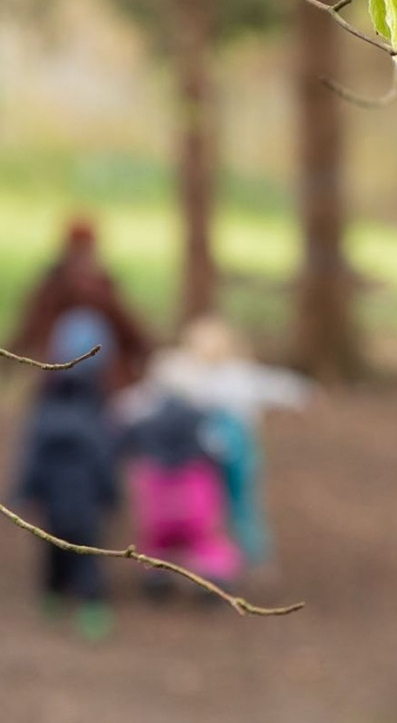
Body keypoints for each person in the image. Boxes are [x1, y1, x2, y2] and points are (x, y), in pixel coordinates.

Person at [142, 316, 313, 568]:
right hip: (214, 453)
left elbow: (277, 386)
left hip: (230, 451)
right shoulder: (194, 374)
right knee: (223, 504)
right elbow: (155, 391)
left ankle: (246, 556)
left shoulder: (231, 374)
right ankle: (228, 557)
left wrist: (303, 394)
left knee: (235, 504)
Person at [13, 313, 120, 641]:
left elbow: (32, 455)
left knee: (53, 547)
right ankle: (92, 607)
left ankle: (53, 596)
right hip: (85, 496)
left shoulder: (45, 407)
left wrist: (25, 491)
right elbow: (104, 458)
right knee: (87, 552)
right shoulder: (97, 411)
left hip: (54, 495)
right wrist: (110, 494)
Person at [119, 356, 242, 593]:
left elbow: (123, 443)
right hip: (193, 496)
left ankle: (155, 577)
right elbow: (220, 450)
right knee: (205, 541)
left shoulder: (145, 421)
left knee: (156, 542)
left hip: (156, 499)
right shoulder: (201, 419)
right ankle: (212, 578)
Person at [9, 218, 152, 393]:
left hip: (103, 381)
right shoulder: (53, 288)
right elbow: (28, 331)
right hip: (57, 379)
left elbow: (133, 333)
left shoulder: (102, 287)